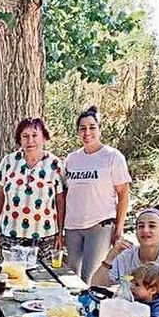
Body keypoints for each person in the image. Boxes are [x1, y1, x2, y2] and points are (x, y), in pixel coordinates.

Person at [63, 106, 131, 280]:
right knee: (71, 278)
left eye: (92, 127)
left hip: (99, 226)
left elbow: (123, 194)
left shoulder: (112, 157)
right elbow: (64, 193)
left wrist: (119, 229)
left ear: (100, 129)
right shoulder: (71, 159)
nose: (87, 132)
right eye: (82, 128)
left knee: (90, 277)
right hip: (73, 226)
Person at [0, 117, 65, 259]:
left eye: (35, 135)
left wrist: (60, 233)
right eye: (25, 136)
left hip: (44, 235)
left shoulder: (54, 164)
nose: (30, 141)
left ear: (44, 138)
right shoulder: (8, 161)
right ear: (20, 139)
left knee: (43, 273)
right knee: (12, 272)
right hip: (11, 233)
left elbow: (60, 201)